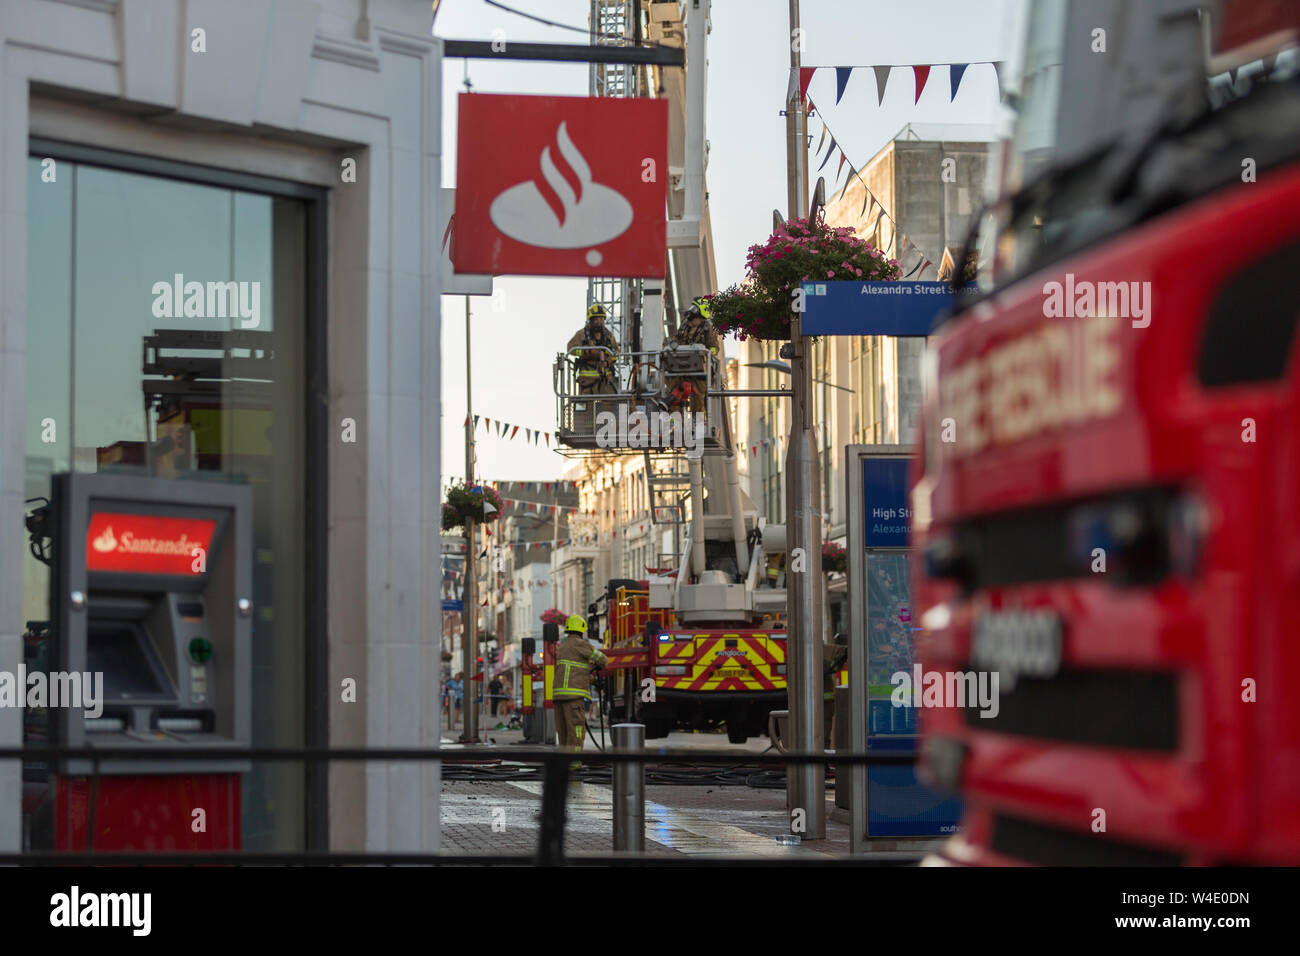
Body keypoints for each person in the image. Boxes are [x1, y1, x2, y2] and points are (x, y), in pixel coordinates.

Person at [552, 615, 608, 761]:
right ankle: (575, 763)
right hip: (573, 698)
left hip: (558, 697)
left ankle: (564, 762)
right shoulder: (581, 644)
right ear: (582, 630)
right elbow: (603, 660)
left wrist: (592, 680)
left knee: (563, 731)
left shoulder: (562, 647)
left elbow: (574, 672)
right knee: (576, 729)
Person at [668, 297, 721, 414]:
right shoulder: (684, 326)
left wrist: (706, 352)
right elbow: (675, 341)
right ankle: (675, 419)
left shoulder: (708, 328)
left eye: (694, 308)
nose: (691, 310)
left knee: (698, 397)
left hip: (700, 369)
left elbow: (715, 347)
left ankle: (698, 423)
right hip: (681, 365)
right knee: (674, 390)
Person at [566, 303, 618, 398]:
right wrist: (587, 353)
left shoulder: (609, 336)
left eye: (602, 319)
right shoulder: (581, 334)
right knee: (586, 408)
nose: (599, 322)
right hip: (587, 380)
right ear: (591, 320)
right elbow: (570, 348)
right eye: (596, 319)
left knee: (611, 405)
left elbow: (616, 353)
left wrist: (607, 362)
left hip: (605, 379)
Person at [822, 634, 848, 750]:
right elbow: (832, 668)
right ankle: (823, 762)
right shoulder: (820, 658)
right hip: (825, 704)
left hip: (826, 703)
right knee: (823, 736)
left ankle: (823, 762)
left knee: (823, 735)